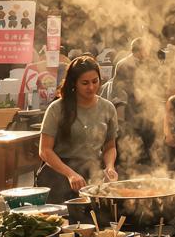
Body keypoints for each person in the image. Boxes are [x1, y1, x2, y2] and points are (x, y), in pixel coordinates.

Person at [37, 56, 119, 203]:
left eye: (95, 81)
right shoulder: (57, 108)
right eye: (85, 83)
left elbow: (110, 146)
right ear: (73, 83)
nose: (91, 87)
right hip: (59, 175)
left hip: (93, 173)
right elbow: (45, 150)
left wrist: (110, 167)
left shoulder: (108, 108)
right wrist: (70, 174)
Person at [110, 38, 147, 105]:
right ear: (138, 51)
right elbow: (118, 85)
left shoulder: (145, 63)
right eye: (144, 50)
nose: (146, 53)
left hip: (141, 101)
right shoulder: (124, 65)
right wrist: (135, 91)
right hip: (127, 103)